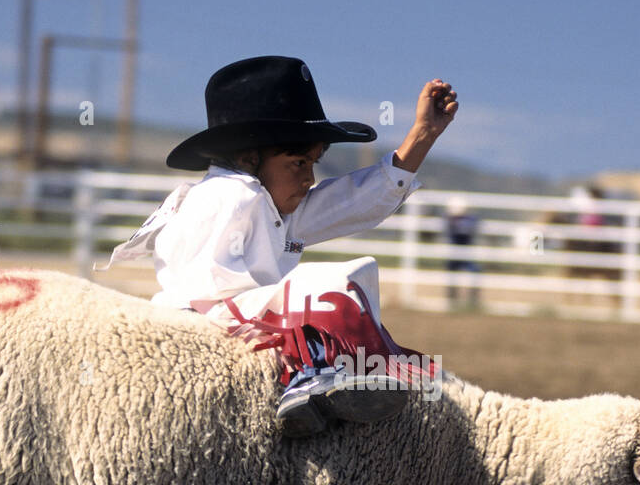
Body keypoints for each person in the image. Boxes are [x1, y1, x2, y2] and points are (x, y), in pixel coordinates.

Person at [107, 56, 457, 436]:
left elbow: (350, 203)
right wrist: (284, 327)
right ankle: (311, 376)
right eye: (298, 163)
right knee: (328, 286)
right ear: (248, 158)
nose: (309, 177)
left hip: (237, 319)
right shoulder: (230, 195)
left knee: (358, 272)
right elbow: (206, 293)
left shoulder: (270, 202)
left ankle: (339, 369)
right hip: (199, 325)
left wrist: (422, 135)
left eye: (313, 162)